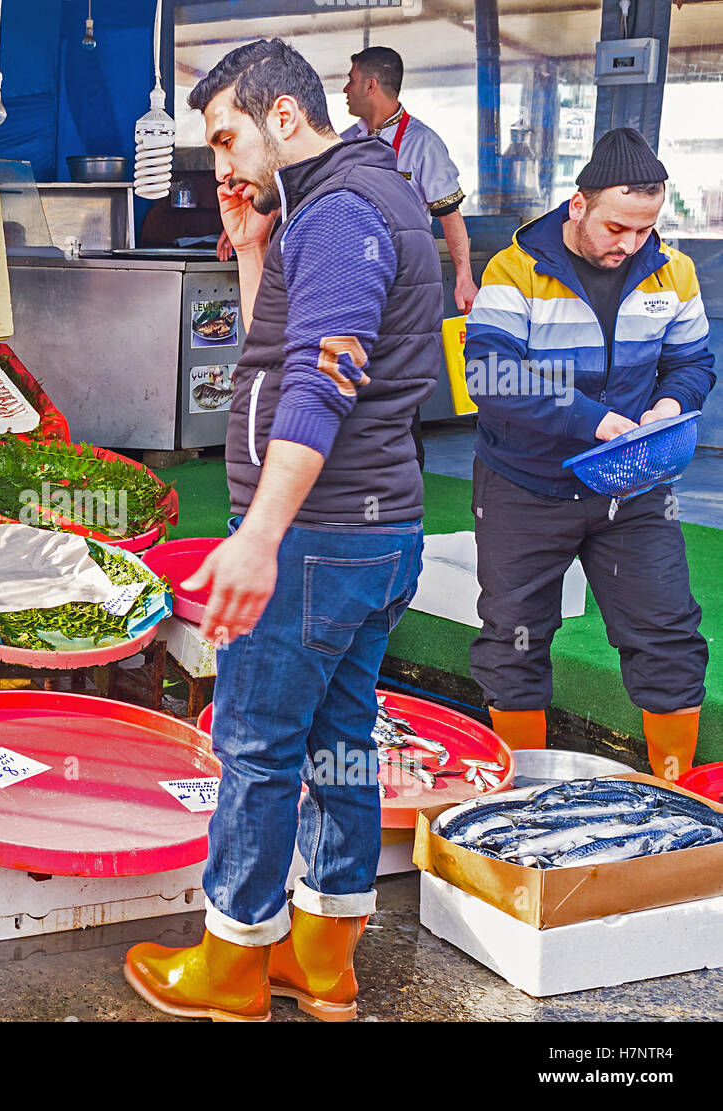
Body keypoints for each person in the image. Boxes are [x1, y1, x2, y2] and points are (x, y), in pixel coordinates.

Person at [122, 38, 442, 1023]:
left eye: (226, 137)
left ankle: (230, 964)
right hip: (372, 533)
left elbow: (323, 378)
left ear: (283, 119)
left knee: (256, 745)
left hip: (316, 537)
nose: (219, 161)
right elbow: (283, 346)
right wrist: (255, 247)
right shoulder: (348, 200)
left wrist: (259, 535)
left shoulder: (343, 215)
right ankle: (322, 955)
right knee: (338, 738)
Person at [464, 127, 714, 780]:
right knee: (513, 644)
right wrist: (596, 420)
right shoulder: (513, 270)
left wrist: (669, 406)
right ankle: (517, 794)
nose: (629, 245)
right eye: (616, 227)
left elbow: (691, 361)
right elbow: (488, 374)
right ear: (579, 205)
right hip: (523, 486)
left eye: (643, 229)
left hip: (631, 488)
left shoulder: (674, 272)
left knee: (668, 637)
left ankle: (671, 792)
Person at [341, 46, 478, 314]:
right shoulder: (344, 142)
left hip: (406, 279)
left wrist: (464, 278)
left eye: (351, 80)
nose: (346, 89)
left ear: (370, 86)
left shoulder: (423, 143)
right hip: (354, 277)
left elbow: (450, 215)